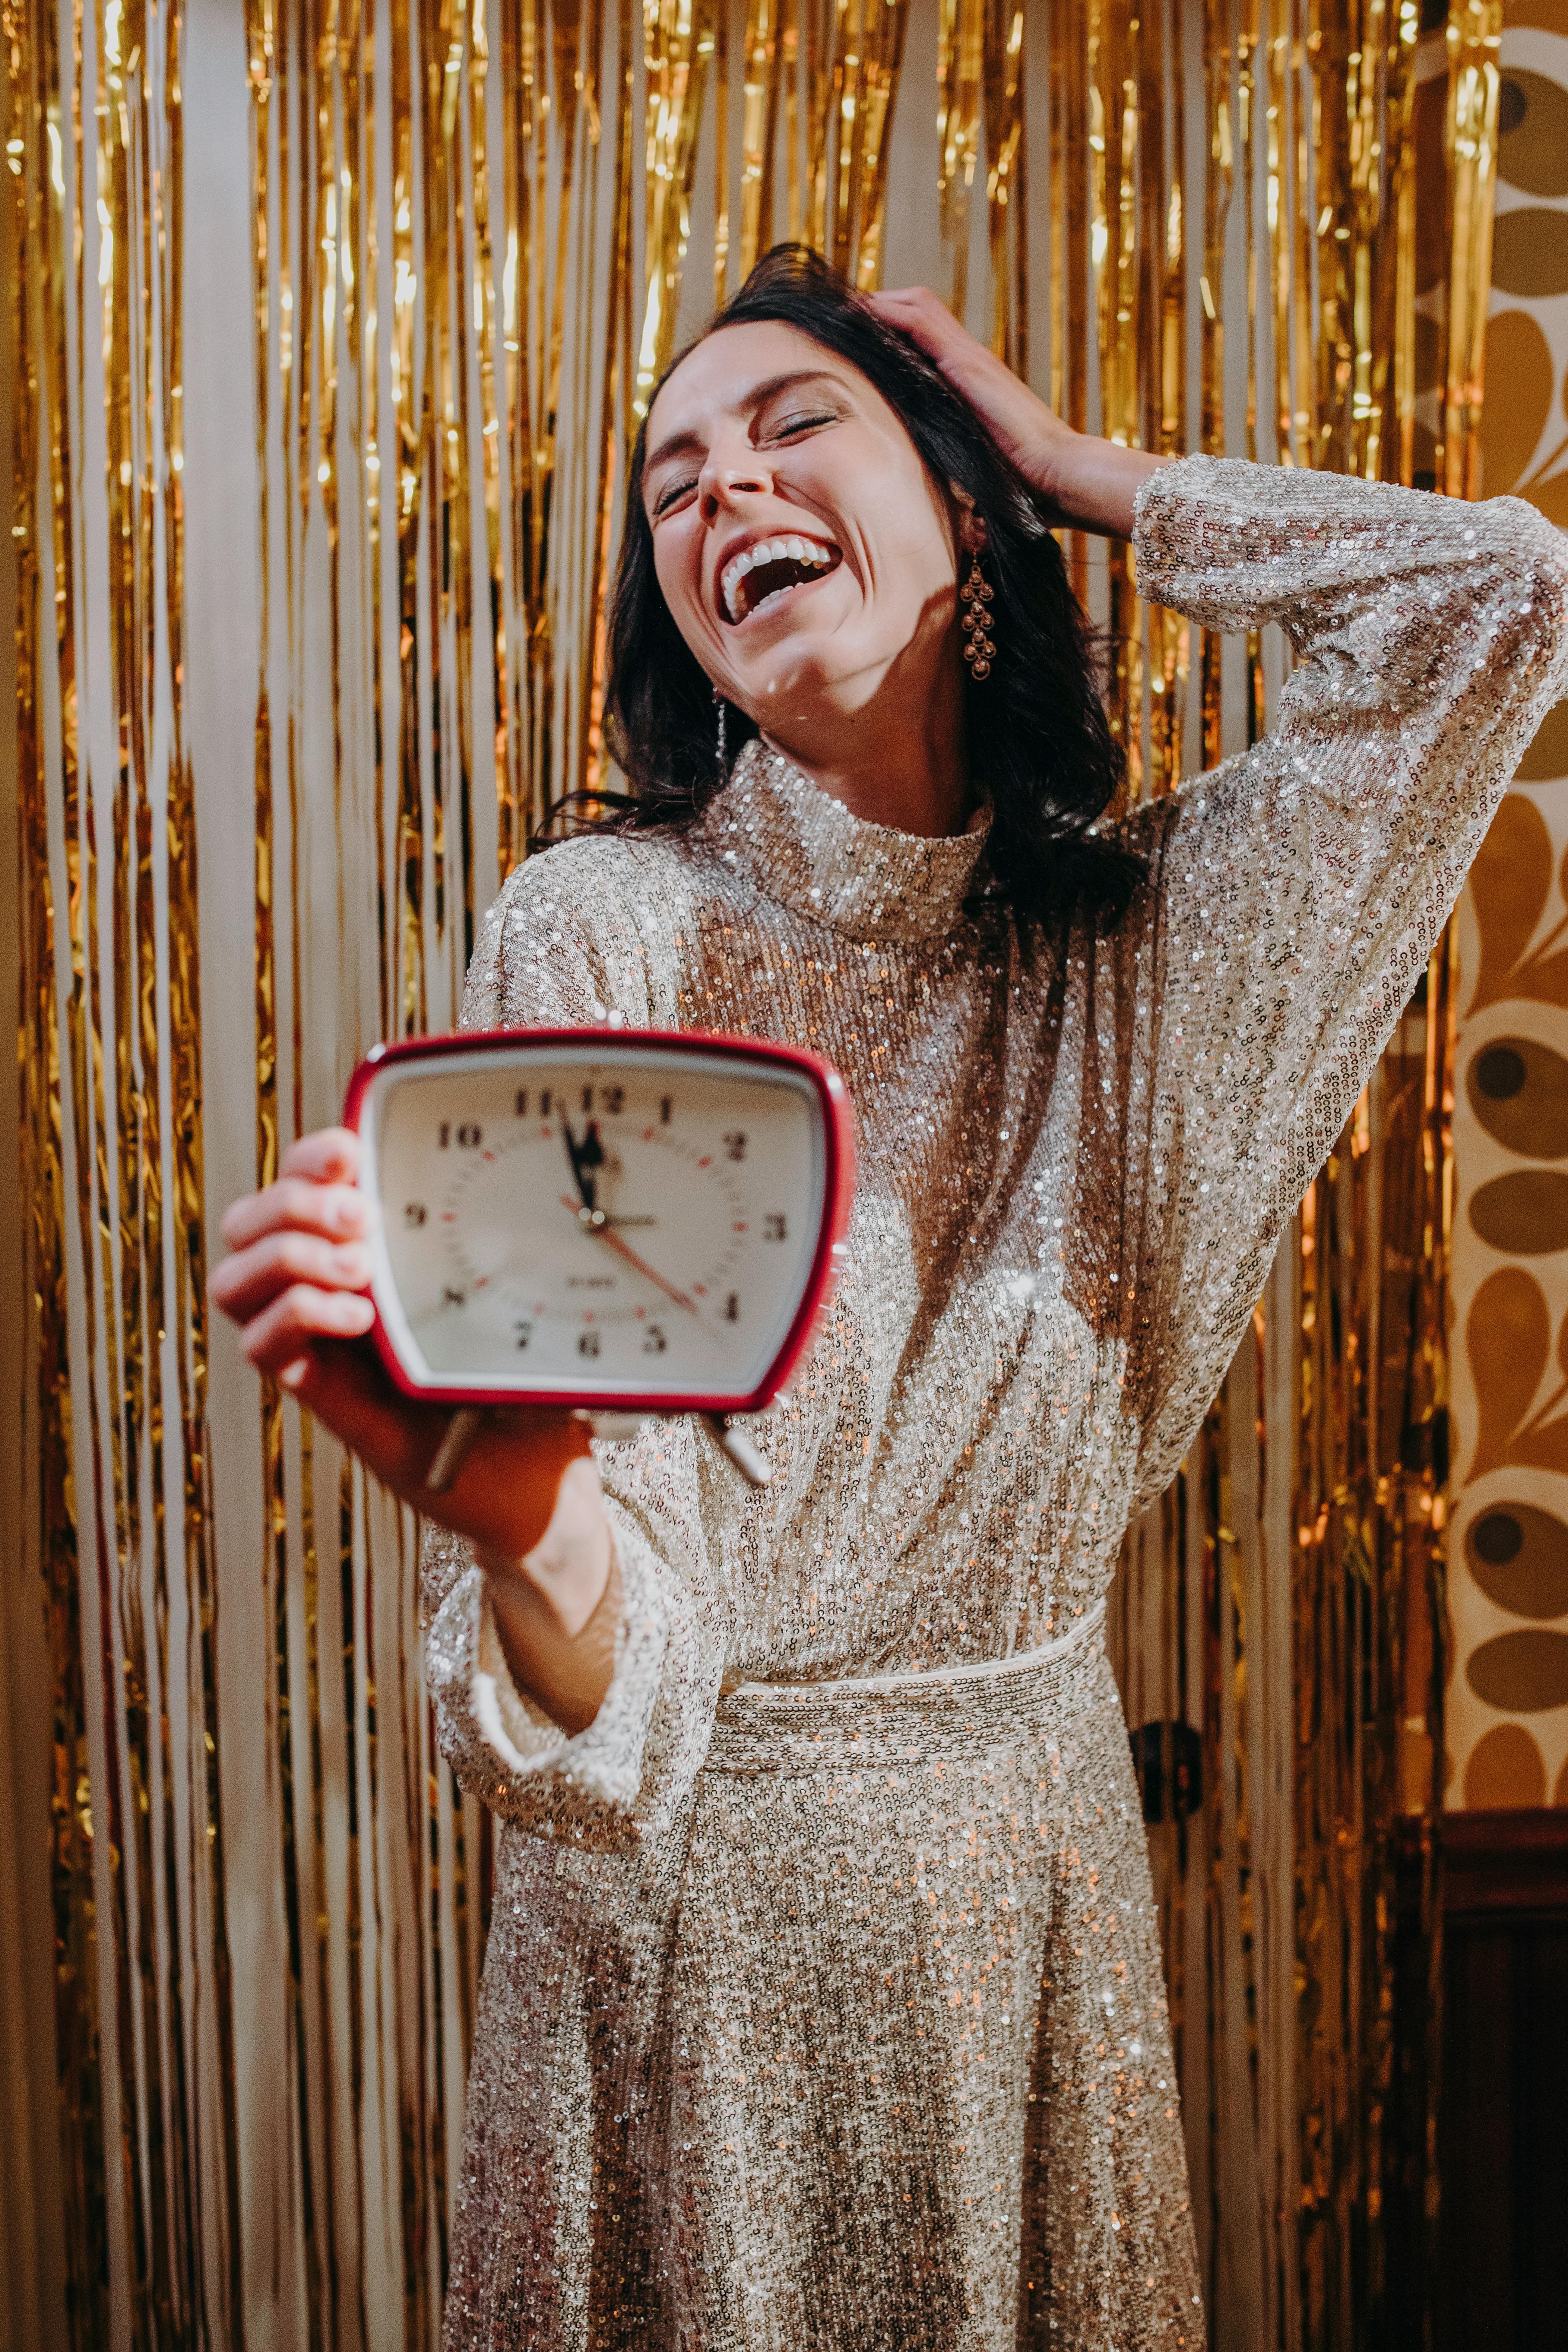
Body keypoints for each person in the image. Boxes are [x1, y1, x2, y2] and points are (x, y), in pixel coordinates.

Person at [212, 245, 1568, 2348]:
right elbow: (620, 1628)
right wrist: (529, 1526)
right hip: (677, 1959)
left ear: (957, 516)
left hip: (1025, 1930)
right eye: (669, 483)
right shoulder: (607, 933)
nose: (717, 496)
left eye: (788, 430)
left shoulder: (1146, 966)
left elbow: (1495, 603)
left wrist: (1070, 461)